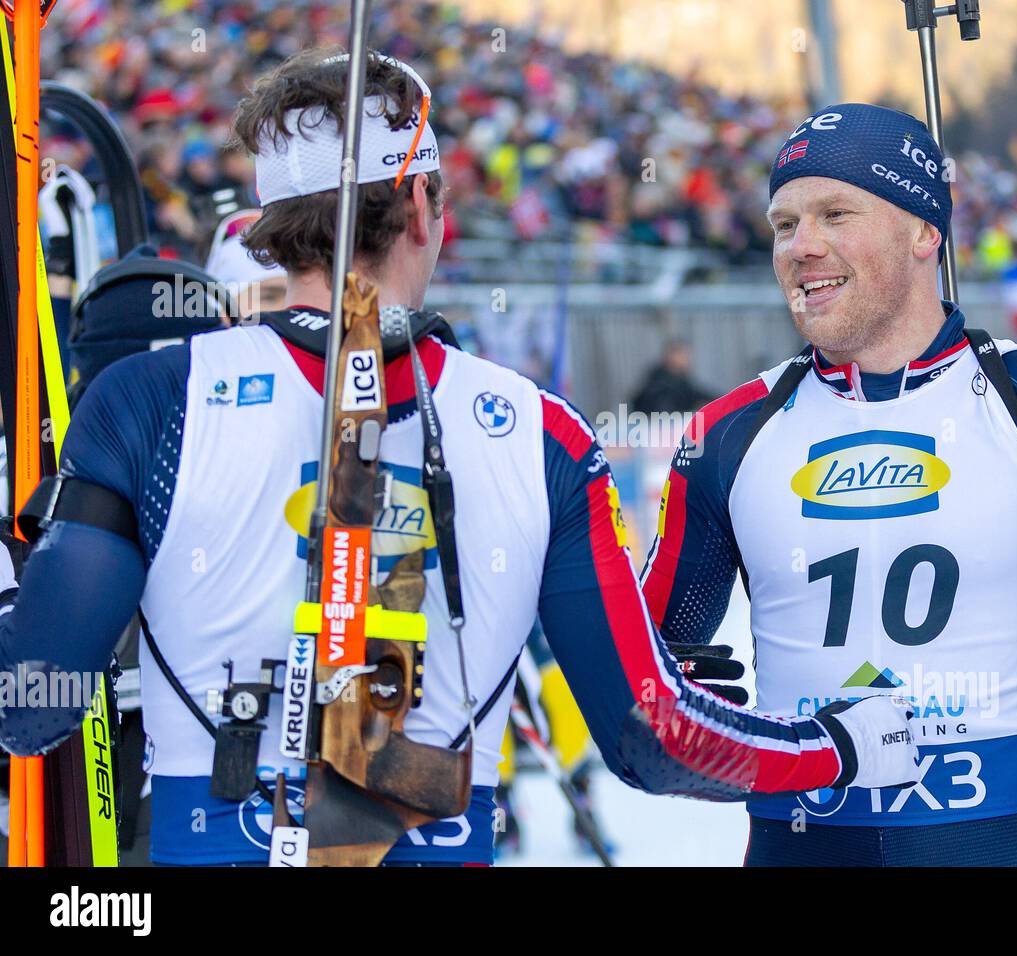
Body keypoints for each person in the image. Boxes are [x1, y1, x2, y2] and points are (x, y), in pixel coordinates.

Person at [0, 54, 914, 867]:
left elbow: (30, 705)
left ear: (268, 224)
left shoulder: (151, 398)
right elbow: (657, 740)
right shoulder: (541, 430)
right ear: (426, 205)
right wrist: (838, 744)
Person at [639, 104, 1017, 867]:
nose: (803, 246)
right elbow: (649, 685)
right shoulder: (726, 436)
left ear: (926, 232)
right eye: (784, 223)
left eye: (835, 213)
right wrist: (687, 716)